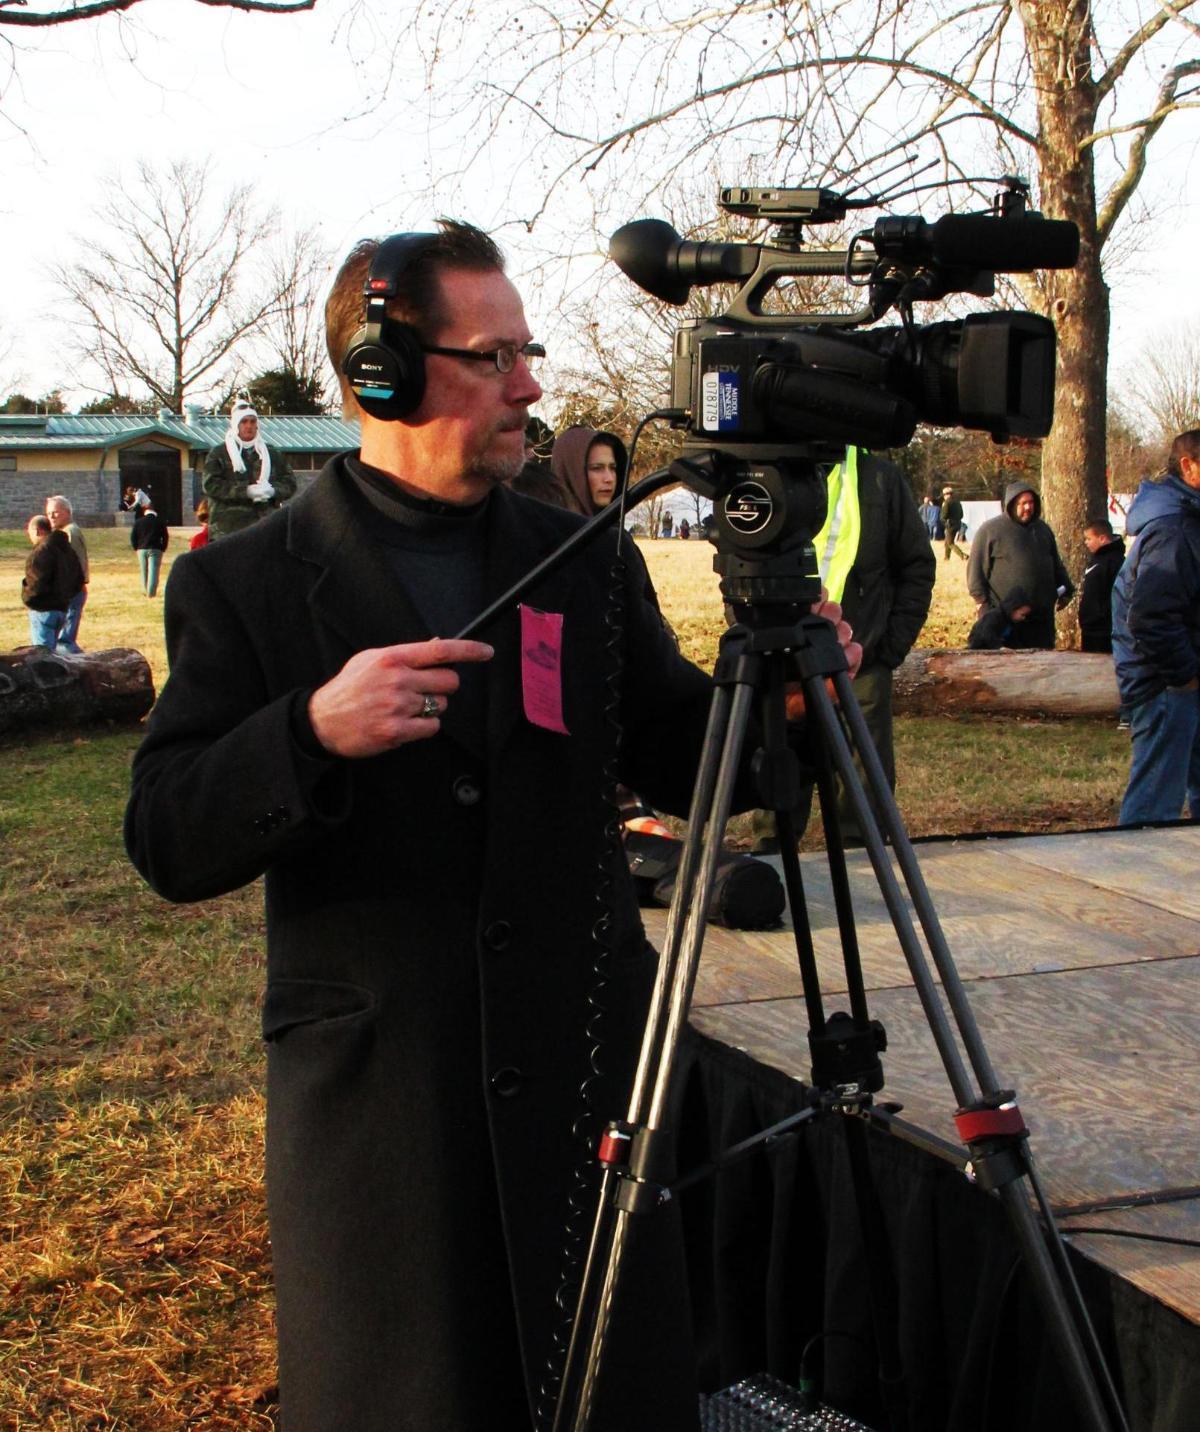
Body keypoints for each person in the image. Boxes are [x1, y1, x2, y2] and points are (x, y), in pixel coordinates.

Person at [123, 219, 864, 1432]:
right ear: (387, 374)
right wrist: (310, 730)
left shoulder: (576, 554)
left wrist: (787, 703)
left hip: (586, 1095)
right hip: (390, 1129)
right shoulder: (243, 582)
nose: (531, 383)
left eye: (530, 350)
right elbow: (165, 832)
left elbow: (680, 747)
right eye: (495, 354)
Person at [752, 445, 935, 850]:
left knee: (863, 796)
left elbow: (916, 566)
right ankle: (772, 857)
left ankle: (860, 862)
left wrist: (888, 648)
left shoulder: (879, 478)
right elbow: (747, 560)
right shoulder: (772, 470)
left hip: (863, 659)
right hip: (786, 656)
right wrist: (757, 632)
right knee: (781, 769)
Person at [1112, 430, 1200, 824]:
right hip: (1166, 685)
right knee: (1152, 813)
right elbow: (1150, 617)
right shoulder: (1174, 529)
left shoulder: (1185, 521)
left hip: (1178, 681)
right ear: (1189, 466)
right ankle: (1127, 883)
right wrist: (1185, 676)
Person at [966, 481, 1074, 649]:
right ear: (1012, 503)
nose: (1027, 508)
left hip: (1041, 619)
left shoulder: (1042, 530)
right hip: (1006, 616)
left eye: (1030, 503)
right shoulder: (990, 530)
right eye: (1023, 503)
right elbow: (976, 570)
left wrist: (1066, 588)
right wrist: (982, 603)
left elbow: (1055, 563)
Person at [202, 402, 297, 540]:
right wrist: (245, 491)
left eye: (253, 421)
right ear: (236, 425)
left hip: (264, 527)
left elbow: (290, 482)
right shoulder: (219, 453)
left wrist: (273, 491)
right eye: (244, 422)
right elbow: (210, 484)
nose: (249, 426)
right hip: (227, 529)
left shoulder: (271, 453)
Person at [22, 513, 83, 652]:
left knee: (43, 656)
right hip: (61, 608)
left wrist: (27, 598)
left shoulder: (41, 551)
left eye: (30, 532)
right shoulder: (66, 549)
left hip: (43, 609)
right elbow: (77, 577)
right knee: (55, 654)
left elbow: (36, 584)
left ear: (38, 531)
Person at [45, 494, 89, 653]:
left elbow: (71, 565)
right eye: (48, 513)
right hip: (73, 588)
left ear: (67, 512)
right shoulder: (67, 531)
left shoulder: (69, 533)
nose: (51, 516)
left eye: (55, 512)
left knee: (65, 641)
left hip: (71, 590)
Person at [550, 425, 626, 515]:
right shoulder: (548, 526)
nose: (609, 479)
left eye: (613, 468)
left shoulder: (613, 526)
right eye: (597, 468)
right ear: (572, 473)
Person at [1078, 518, 1126, 653]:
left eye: (1089, 539)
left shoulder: (1116, 562)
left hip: (1104, 629)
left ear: (1102, 538)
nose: (1086, 543)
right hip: (1091, 627)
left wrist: (1102, 617)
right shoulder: (1097, 560)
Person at [130, 500, 169, 596]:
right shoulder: (160, 521)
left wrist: (136, 547)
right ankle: (151, 593)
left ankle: (144, 590)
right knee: (153, 570)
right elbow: (165, 536)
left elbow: (133, 536)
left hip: (141, 548)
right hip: (155, 548)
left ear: (144, 511)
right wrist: (163, 548)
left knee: (143, 570)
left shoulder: (138, 522)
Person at [940, 483, 968, 559]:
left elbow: (944, 515)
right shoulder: (958, 502)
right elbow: (961, 515)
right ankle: (946, 557)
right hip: (957, 524)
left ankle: (963, 556)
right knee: (947, 542)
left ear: (946, 494)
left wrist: (943, 521)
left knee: (950, 543)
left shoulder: (946, 503)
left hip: (950, 525)